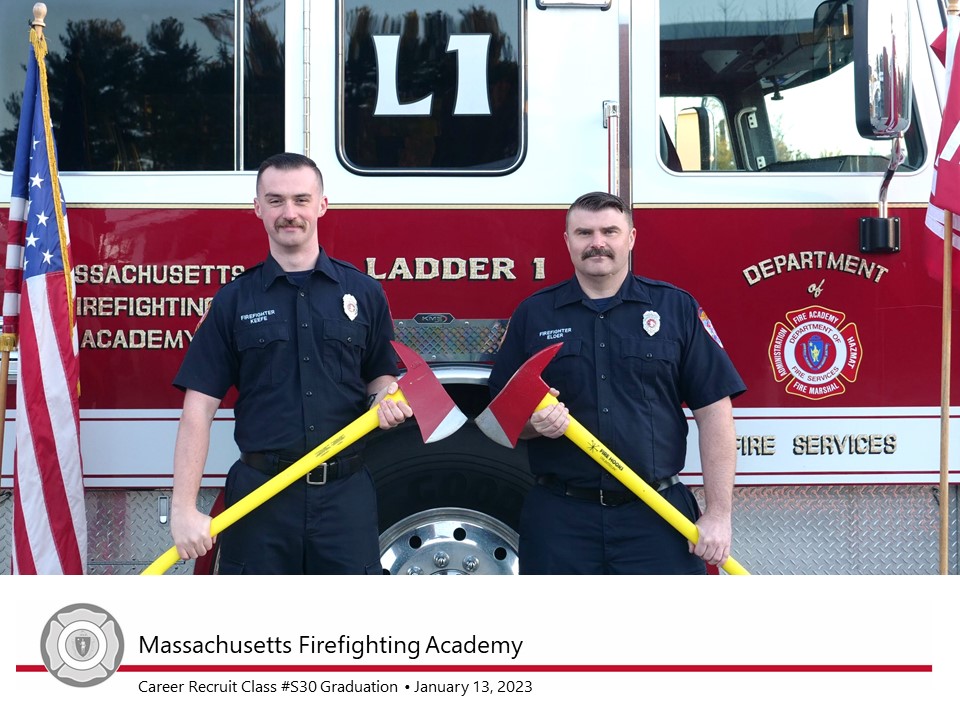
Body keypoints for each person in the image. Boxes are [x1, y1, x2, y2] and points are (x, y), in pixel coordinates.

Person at [170, 152, 412, 574]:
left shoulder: (364, 292)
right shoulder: (234, 301)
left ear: (322, 205)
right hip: (261, 498)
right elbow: (198, 409)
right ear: (258, 208)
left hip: (345, 496)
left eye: (301, 199)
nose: (290, 213)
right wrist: (184, 509)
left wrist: (384, 401)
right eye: (276, 200)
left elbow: (380, 376)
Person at [488, 191, 746, 574]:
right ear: (567, 241)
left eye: (610, 231)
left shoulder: (675, 309)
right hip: (561, 520)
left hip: (658, 516)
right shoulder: (534, 315)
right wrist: (533, 425)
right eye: (584, 233)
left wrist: (719, 514)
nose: (597, 243)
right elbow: (498, 420)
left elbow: (715, 414)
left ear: (631, 238)